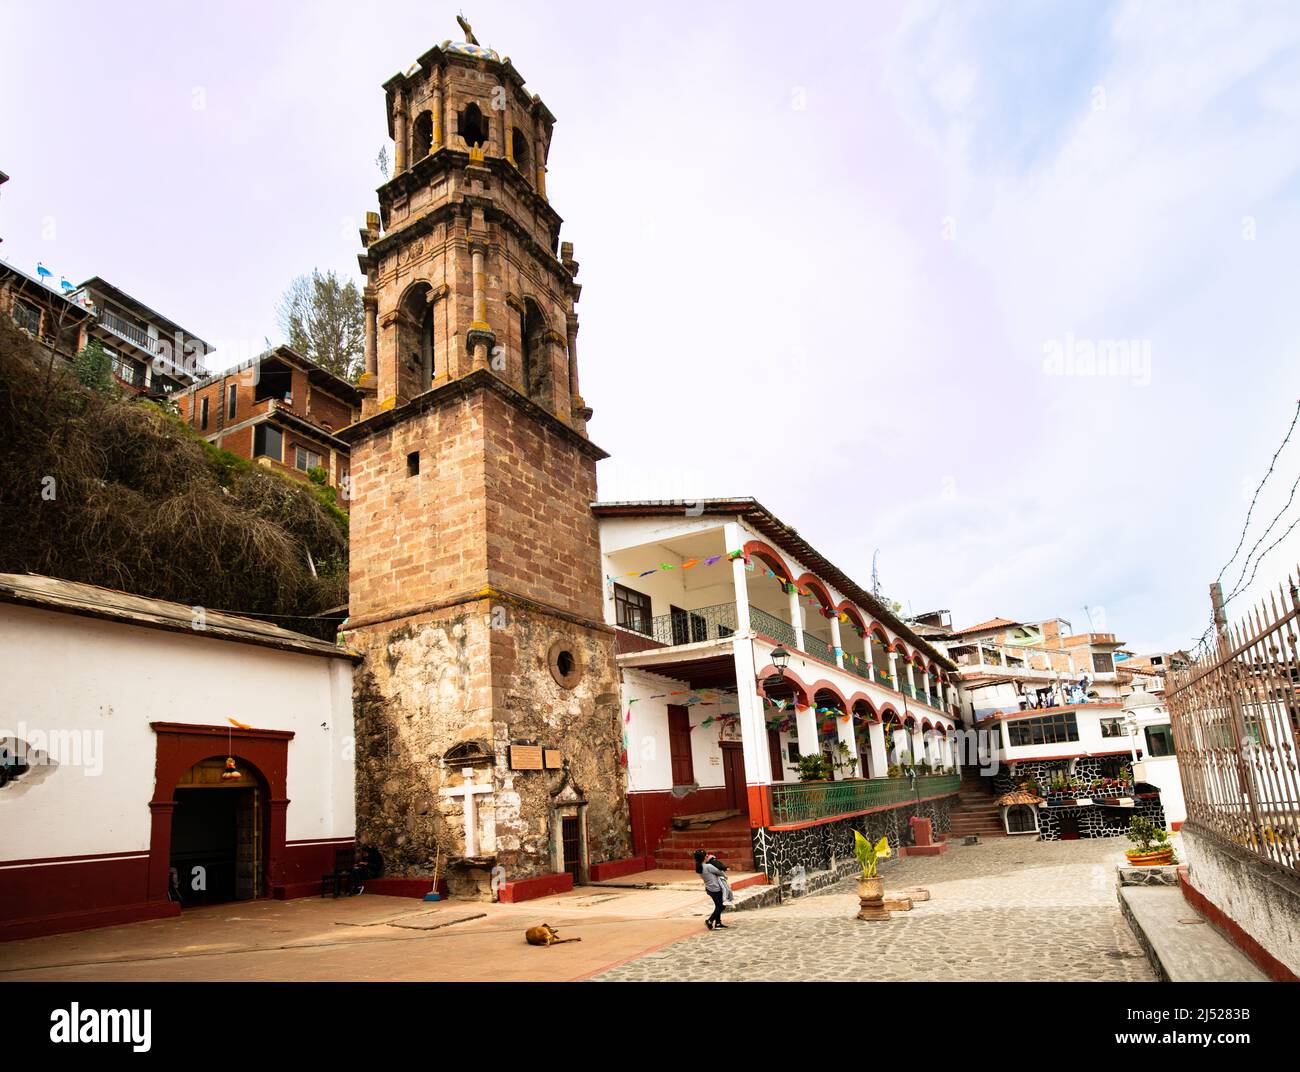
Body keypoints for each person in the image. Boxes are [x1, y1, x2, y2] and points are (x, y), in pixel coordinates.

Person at [694, 849, 729, 930]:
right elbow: (719, 872)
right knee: (722, 906)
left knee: (718, 905)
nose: (707, 856)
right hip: (715, 888)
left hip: (709, 889)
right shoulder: (708, 866)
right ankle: (710, 920)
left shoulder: (699, 868)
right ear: (703, 858)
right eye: (705, 855)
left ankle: (718, 923)